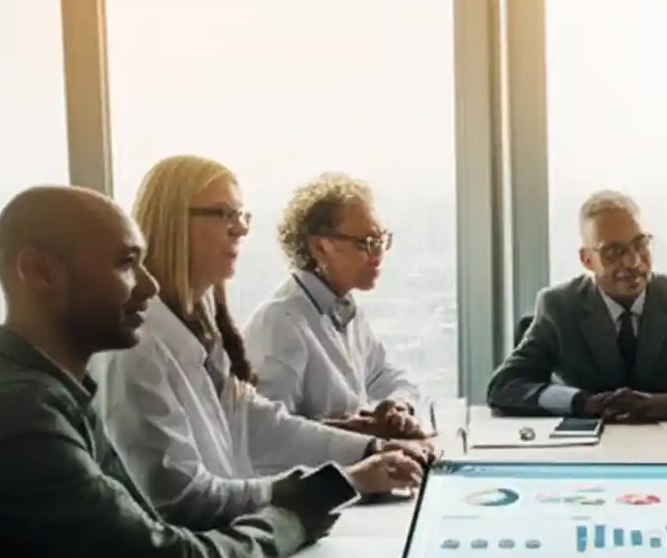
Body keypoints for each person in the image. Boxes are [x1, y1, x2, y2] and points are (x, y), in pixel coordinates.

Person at [0, 186, 334, 558]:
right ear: (41, 272)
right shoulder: (20, 412)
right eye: (126, 264)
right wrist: (292, 516)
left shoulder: (57, 392)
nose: (148, 286)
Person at [97, 155, 428, 531]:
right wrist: (346, 481)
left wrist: (373, 450)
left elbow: (259, 424)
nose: (239, 230)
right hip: (214, 553)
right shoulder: (135, 347)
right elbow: (181, 499)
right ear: (173, 220)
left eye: (241, 216)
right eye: (224, 214)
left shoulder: (201, 323)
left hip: (241, 537)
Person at [487, 190, 667, 421]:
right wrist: (582, 403)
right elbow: (504, 386)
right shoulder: (559, 306)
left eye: (640, 244)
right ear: (587, 259)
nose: (633, 262)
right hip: (586, 456)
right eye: (614, 252)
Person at [244, 172, 427, 439]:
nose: (378, 254)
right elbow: (268, 435)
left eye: (380, 241)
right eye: (366, 243)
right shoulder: (279, 321)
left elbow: (395, 379)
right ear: (320, 247)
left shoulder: (346, 310)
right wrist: (359, 433)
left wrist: (399, 409)